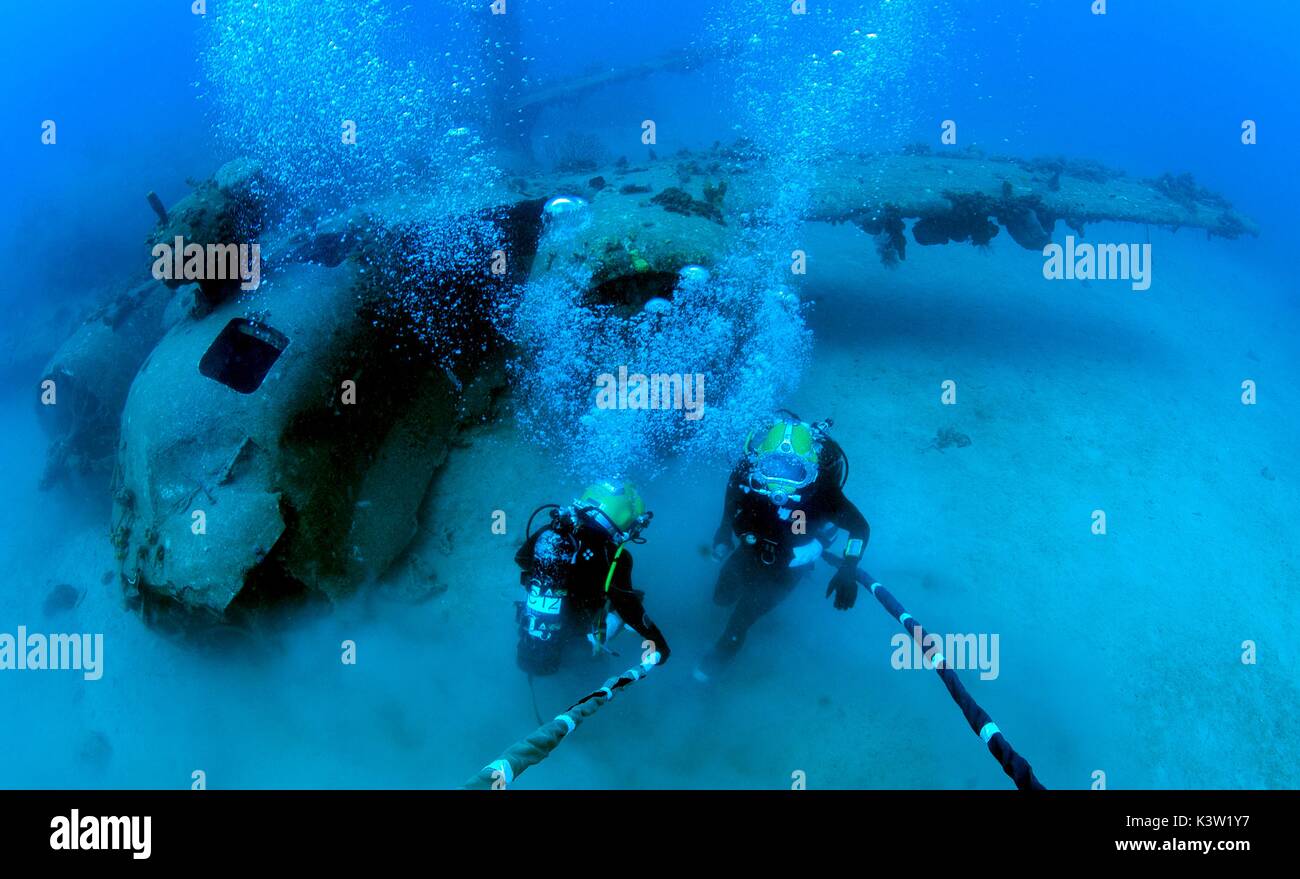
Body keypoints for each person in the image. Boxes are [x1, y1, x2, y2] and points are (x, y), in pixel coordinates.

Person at [695, 414, 869, 682]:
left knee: (740, 620)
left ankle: (708, 669)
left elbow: (859, 528)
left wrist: (848, 568)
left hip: (791, 564)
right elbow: (731, 498)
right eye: (772, 466)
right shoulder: (746, 474)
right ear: (758, 462)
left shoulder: (822, 491)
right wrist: (723, 529)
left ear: (809, 469)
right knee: (721, 598)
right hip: (750, 549)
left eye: (794, 472)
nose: (780, 482)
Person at [515, 481, 670, 676]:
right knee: (631, 601)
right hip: (573, 646)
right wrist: (659, 644)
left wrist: (562, 582)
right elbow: (630, 609)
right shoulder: (614, 556)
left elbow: (521, 559)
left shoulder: (550, 531)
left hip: (529, 641)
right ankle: (591, 654)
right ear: (623, 518)